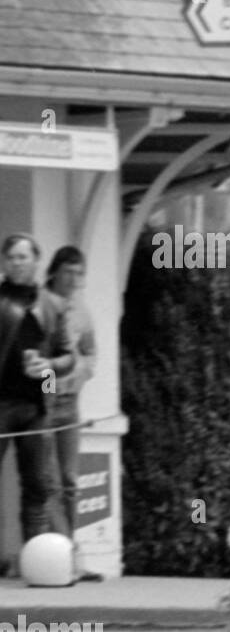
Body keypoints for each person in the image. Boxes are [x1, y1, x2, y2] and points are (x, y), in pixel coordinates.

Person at [0, 234, 74, 561]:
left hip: (37, 405)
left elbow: (69, 356)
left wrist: (49, 367)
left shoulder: (52, 305)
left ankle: (35, 561)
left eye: (23, 257)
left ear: (36, 260)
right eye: (11, 257)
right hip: (1, 403)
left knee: (37, 487)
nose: (17, 263)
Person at [44, 247, 101, 582]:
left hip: (71, 404)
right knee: (48, 481)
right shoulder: (41, 304)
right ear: (54, 272)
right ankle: (61, 558)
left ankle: (70, 554)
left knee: (69, 482)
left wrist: (83, 374)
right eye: (68, 272)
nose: (74, 280)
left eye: (80, 274)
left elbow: (90, 350)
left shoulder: (82, 308)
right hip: (45, 404)